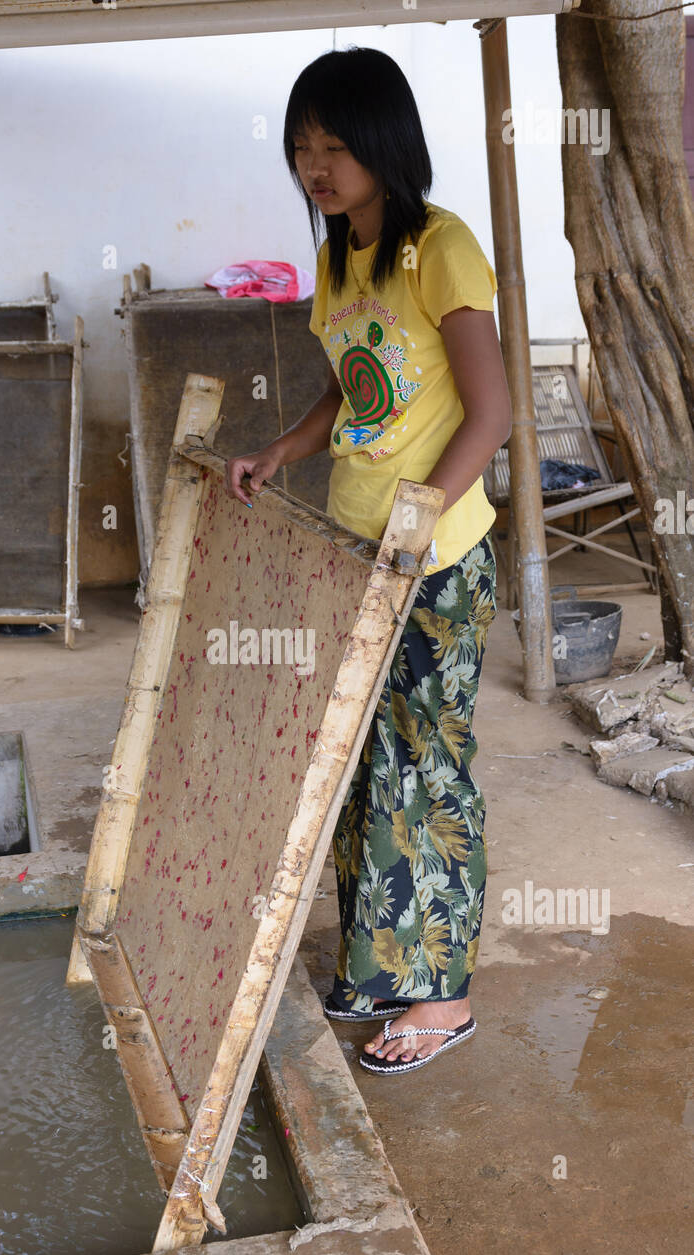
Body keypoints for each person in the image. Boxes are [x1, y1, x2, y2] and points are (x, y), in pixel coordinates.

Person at [225, 46, 511, 1076]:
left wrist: (427, 514)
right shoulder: (343, 256)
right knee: (360, 766)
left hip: (433, 562)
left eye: (335, 146)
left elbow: (492, 410)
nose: (315, 165)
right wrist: (277, 449)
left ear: (383, 143)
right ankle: (379, 965)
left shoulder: (440, 248)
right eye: (302, 147)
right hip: (361, 551)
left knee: (425, 764)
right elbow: (353, 389)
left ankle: (444, 997)